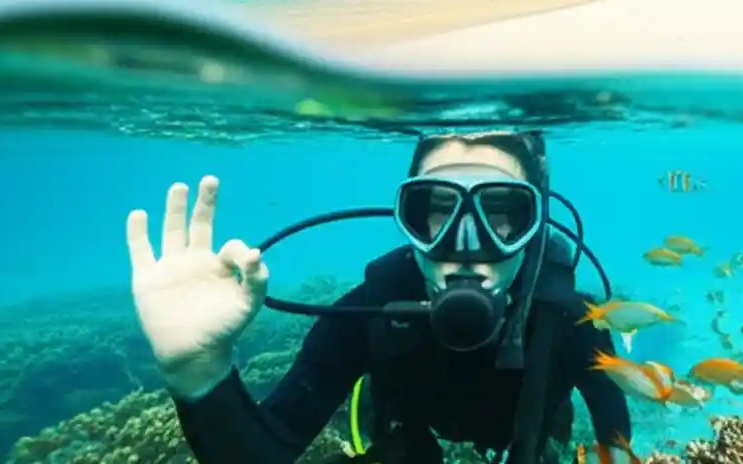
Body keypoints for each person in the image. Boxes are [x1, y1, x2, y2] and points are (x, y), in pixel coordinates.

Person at [126, 129, 633, 464]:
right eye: (435, 212)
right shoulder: (371, 307)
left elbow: (615, 430)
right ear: (408, 223)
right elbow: (266, 450)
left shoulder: (568, 319)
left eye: (502, 216)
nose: (465, 247)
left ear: (534, 228)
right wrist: (199, 376)